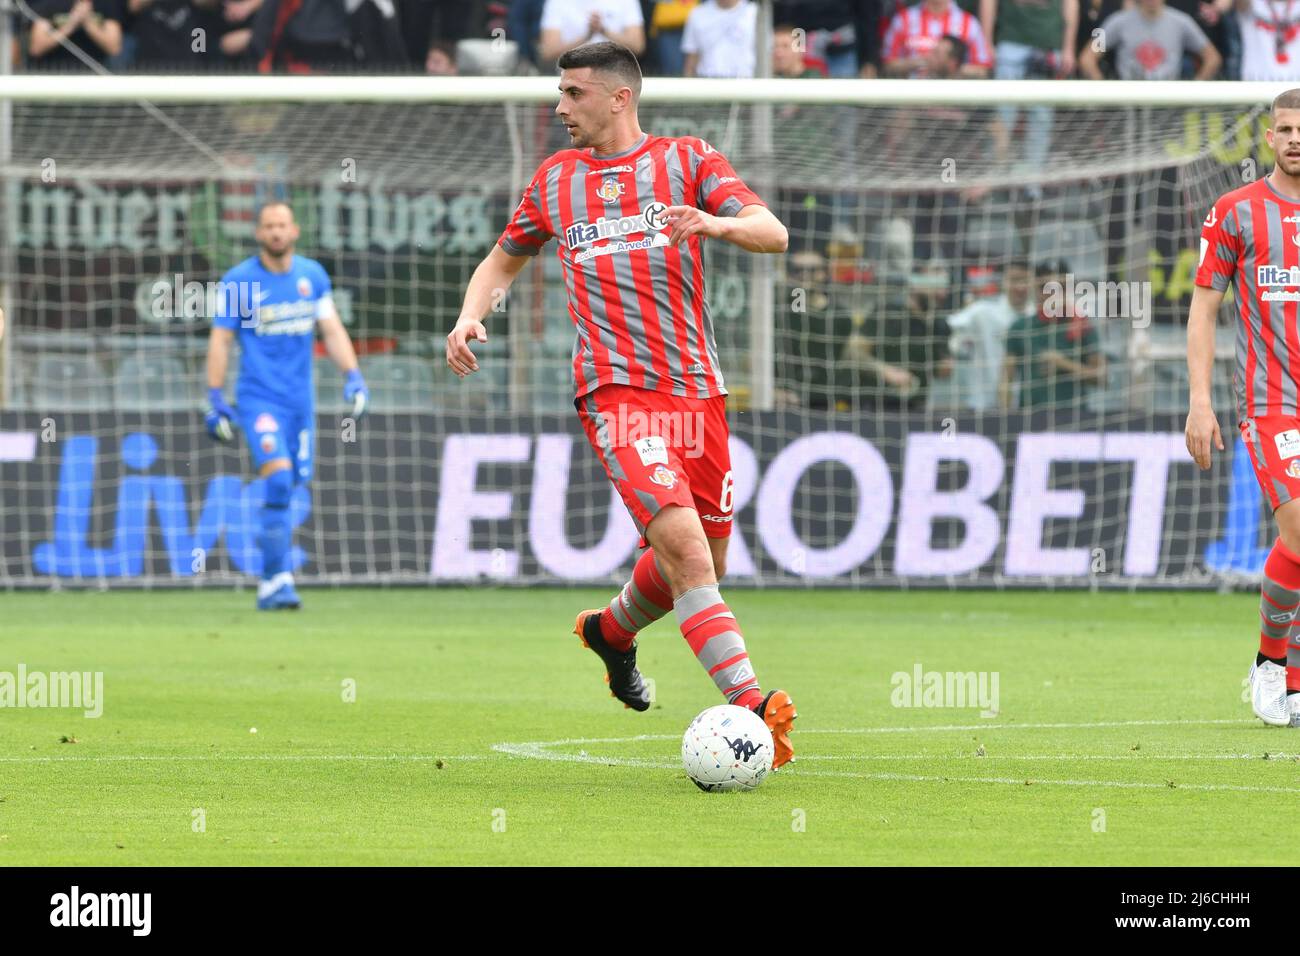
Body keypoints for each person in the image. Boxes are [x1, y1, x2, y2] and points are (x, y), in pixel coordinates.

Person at [444, 42, 798, 768]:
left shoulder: (689, 160)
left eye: (573, 94)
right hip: (616, 394)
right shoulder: (555, 181)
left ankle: (610, 631)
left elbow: (774, 232)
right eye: (560, 92)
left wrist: (715, 224)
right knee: (687, 552)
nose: (559, 107)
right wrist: (472, 313)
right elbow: (501, 259)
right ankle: (750, 705)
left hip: (698, 393)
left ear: (618, 98)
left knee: (705, 562)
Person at [1188, 88, 1300, 728]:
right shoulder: (1235, 212)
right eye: (1283, 129)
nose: (1293, 139)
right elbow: (1202, 310)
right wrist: (1200, 403)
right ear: (1268, 137)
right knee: (1297, 531)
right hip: (1271, 404)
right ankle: (1268, 666)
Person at [205, 201, 370, 610]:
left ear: (294, 231)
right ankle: (276, 581)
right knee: (278, 480)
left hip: (300, 403)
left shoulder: (310, 278)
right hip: (259, 398)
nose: (276, 232)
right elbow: (222, 339)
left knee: (291, 485)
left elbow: (330, 329)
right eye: (268, 226)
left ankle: (272, 579)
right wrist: (214, 396)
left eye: (282, 225)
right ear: (259, 234)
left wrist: (352, 375)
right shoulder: (242, 282)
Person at [1001, 259, 1104, 410]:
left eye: (1059, 288)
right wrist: (1005, 419)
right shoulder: (1020, 328)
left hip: (1075, 420)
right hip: (1030, 419)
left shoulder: (1082, 326)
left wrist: (1064, 364)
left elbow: (1102, 377)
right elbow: (1006, 380)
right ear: (1035, 288)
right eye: (1045, 288)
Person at [945, 257, 1034, 410]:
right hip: (981, 404)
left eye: (1025, 281)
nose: (1020, 287)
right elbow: (947, 328)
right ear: (1003, 282)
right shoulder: (982, 312)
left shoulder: (1038, 318)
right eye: (1014, 280)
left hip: (1024, 406)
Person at [1078, 0, 1221, 79]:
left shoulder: (1183, 22)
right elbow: (1088, 57)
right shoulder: (1116, 22)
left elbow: (1212, 57)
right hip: (1128, 107)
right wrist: (1105, 94)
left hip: (1168, 107)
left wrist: (1193, 92)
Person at [27, 0, 124, 70]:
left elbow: (114, 48)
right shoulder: (49, 3)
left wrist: (88, 23)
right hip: (55, 74)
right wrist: (71, 24)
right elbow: (36, 48)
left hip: (94, 75)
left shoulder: (105, 3)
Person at [682, 0, 756, 77]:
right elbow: (691, 59)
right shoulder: (697, 13)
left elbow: (768, 56)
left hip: (747, 82)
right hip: (707, 81)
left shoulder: (756, 12)